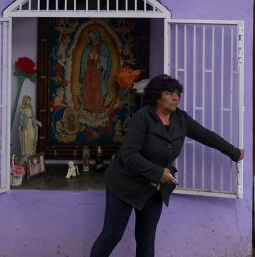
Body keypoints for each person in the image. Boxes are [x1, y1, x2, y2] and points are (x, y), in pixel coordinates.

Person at [89, 74, 243, 257]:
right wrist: (157, 172)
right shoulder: (143, 118)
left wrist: (233, 152)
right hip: (125, 183)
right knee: (111, 235)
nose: (175, 97)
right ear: (156, 95)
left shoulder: (180, 119)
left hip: (153, 187)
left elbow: (206, 136)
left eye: (177, 93)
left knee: (146, 238)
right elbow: (128, 154)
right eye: (169, 93)